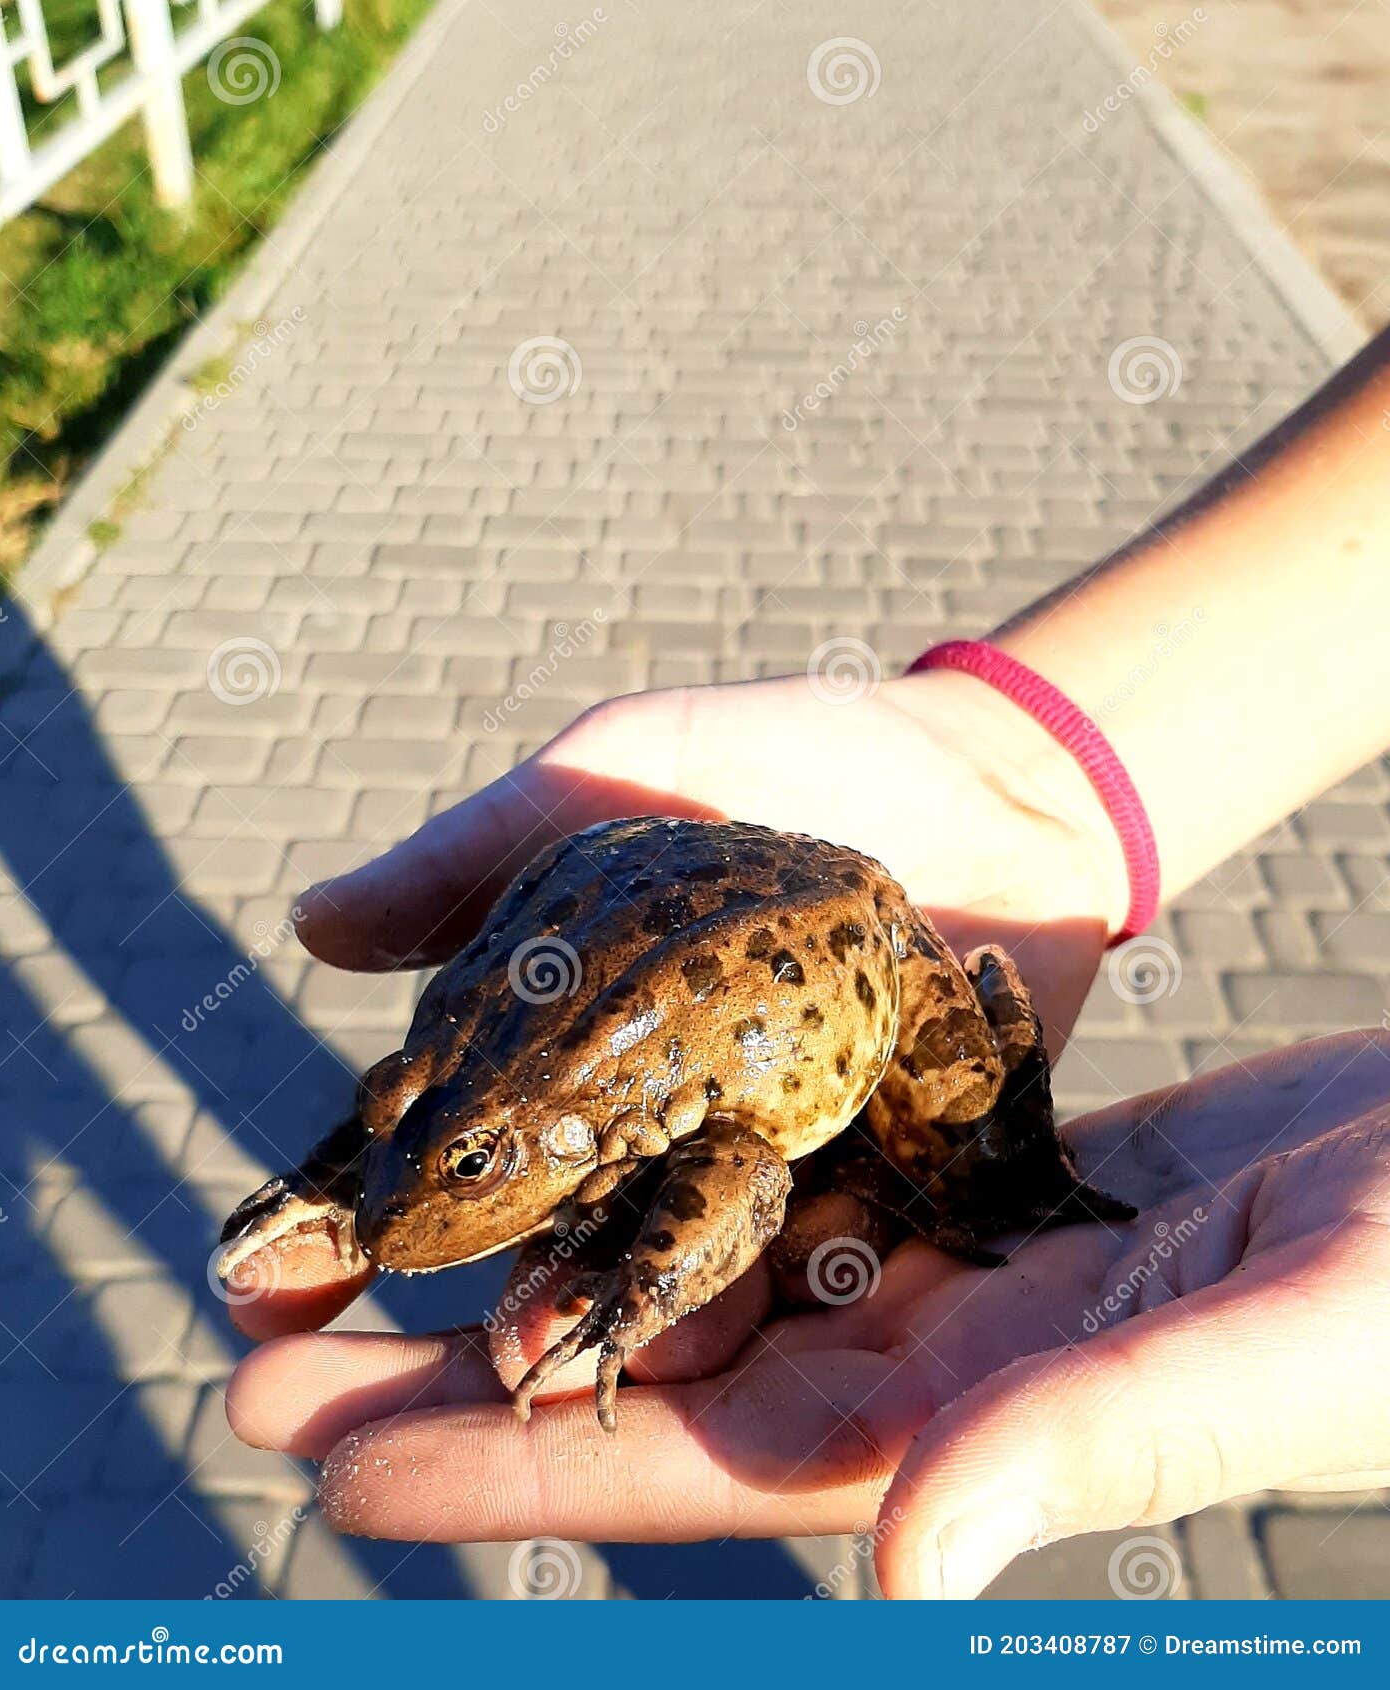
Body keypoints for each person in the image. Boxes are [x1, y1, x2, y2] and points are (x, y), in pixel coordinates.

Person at [223, 326, 1390, 1598]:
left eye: (467, 1169)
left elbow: (737, 1166)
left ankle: (979, 1144)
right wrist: (345, 1175)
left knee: (969, 1169)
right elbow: (432, 1095)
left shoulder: (618, 1101)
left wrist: (647, 1282)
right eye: (418, 1132)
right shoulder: (483, 1072)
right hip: (655, 901)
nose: (419, 1189)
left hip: (848, 939)